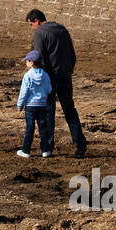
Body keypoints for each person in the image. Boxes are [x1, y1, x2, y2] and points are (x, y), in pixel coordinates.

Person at [26, 9, 87, 156]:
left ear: (37, 21)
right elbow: (71, 53)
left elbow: (39, 57)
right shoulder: (62, 29)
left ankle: (47, 147)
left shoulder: (40, 33)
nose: (32, 28)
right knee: (70, 110)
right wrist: (69, 68)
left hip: (49, 78)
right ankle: (80, 145)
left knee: (48, 112)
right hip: (65, 76)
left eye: (31, 24)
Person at [16, 50, 54, 158]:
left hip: (30, 106)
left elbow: (24, 92)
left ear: (31, 62)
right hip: (42, 105)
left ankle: (26, 150)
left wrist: (20, 104)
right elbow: (49, 90)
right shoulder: (45, 75)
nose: (26, 63)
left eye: (27, 61)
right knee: (43, 127)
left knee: (30, 128)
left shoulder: (27, 76)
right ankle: (45, 150)